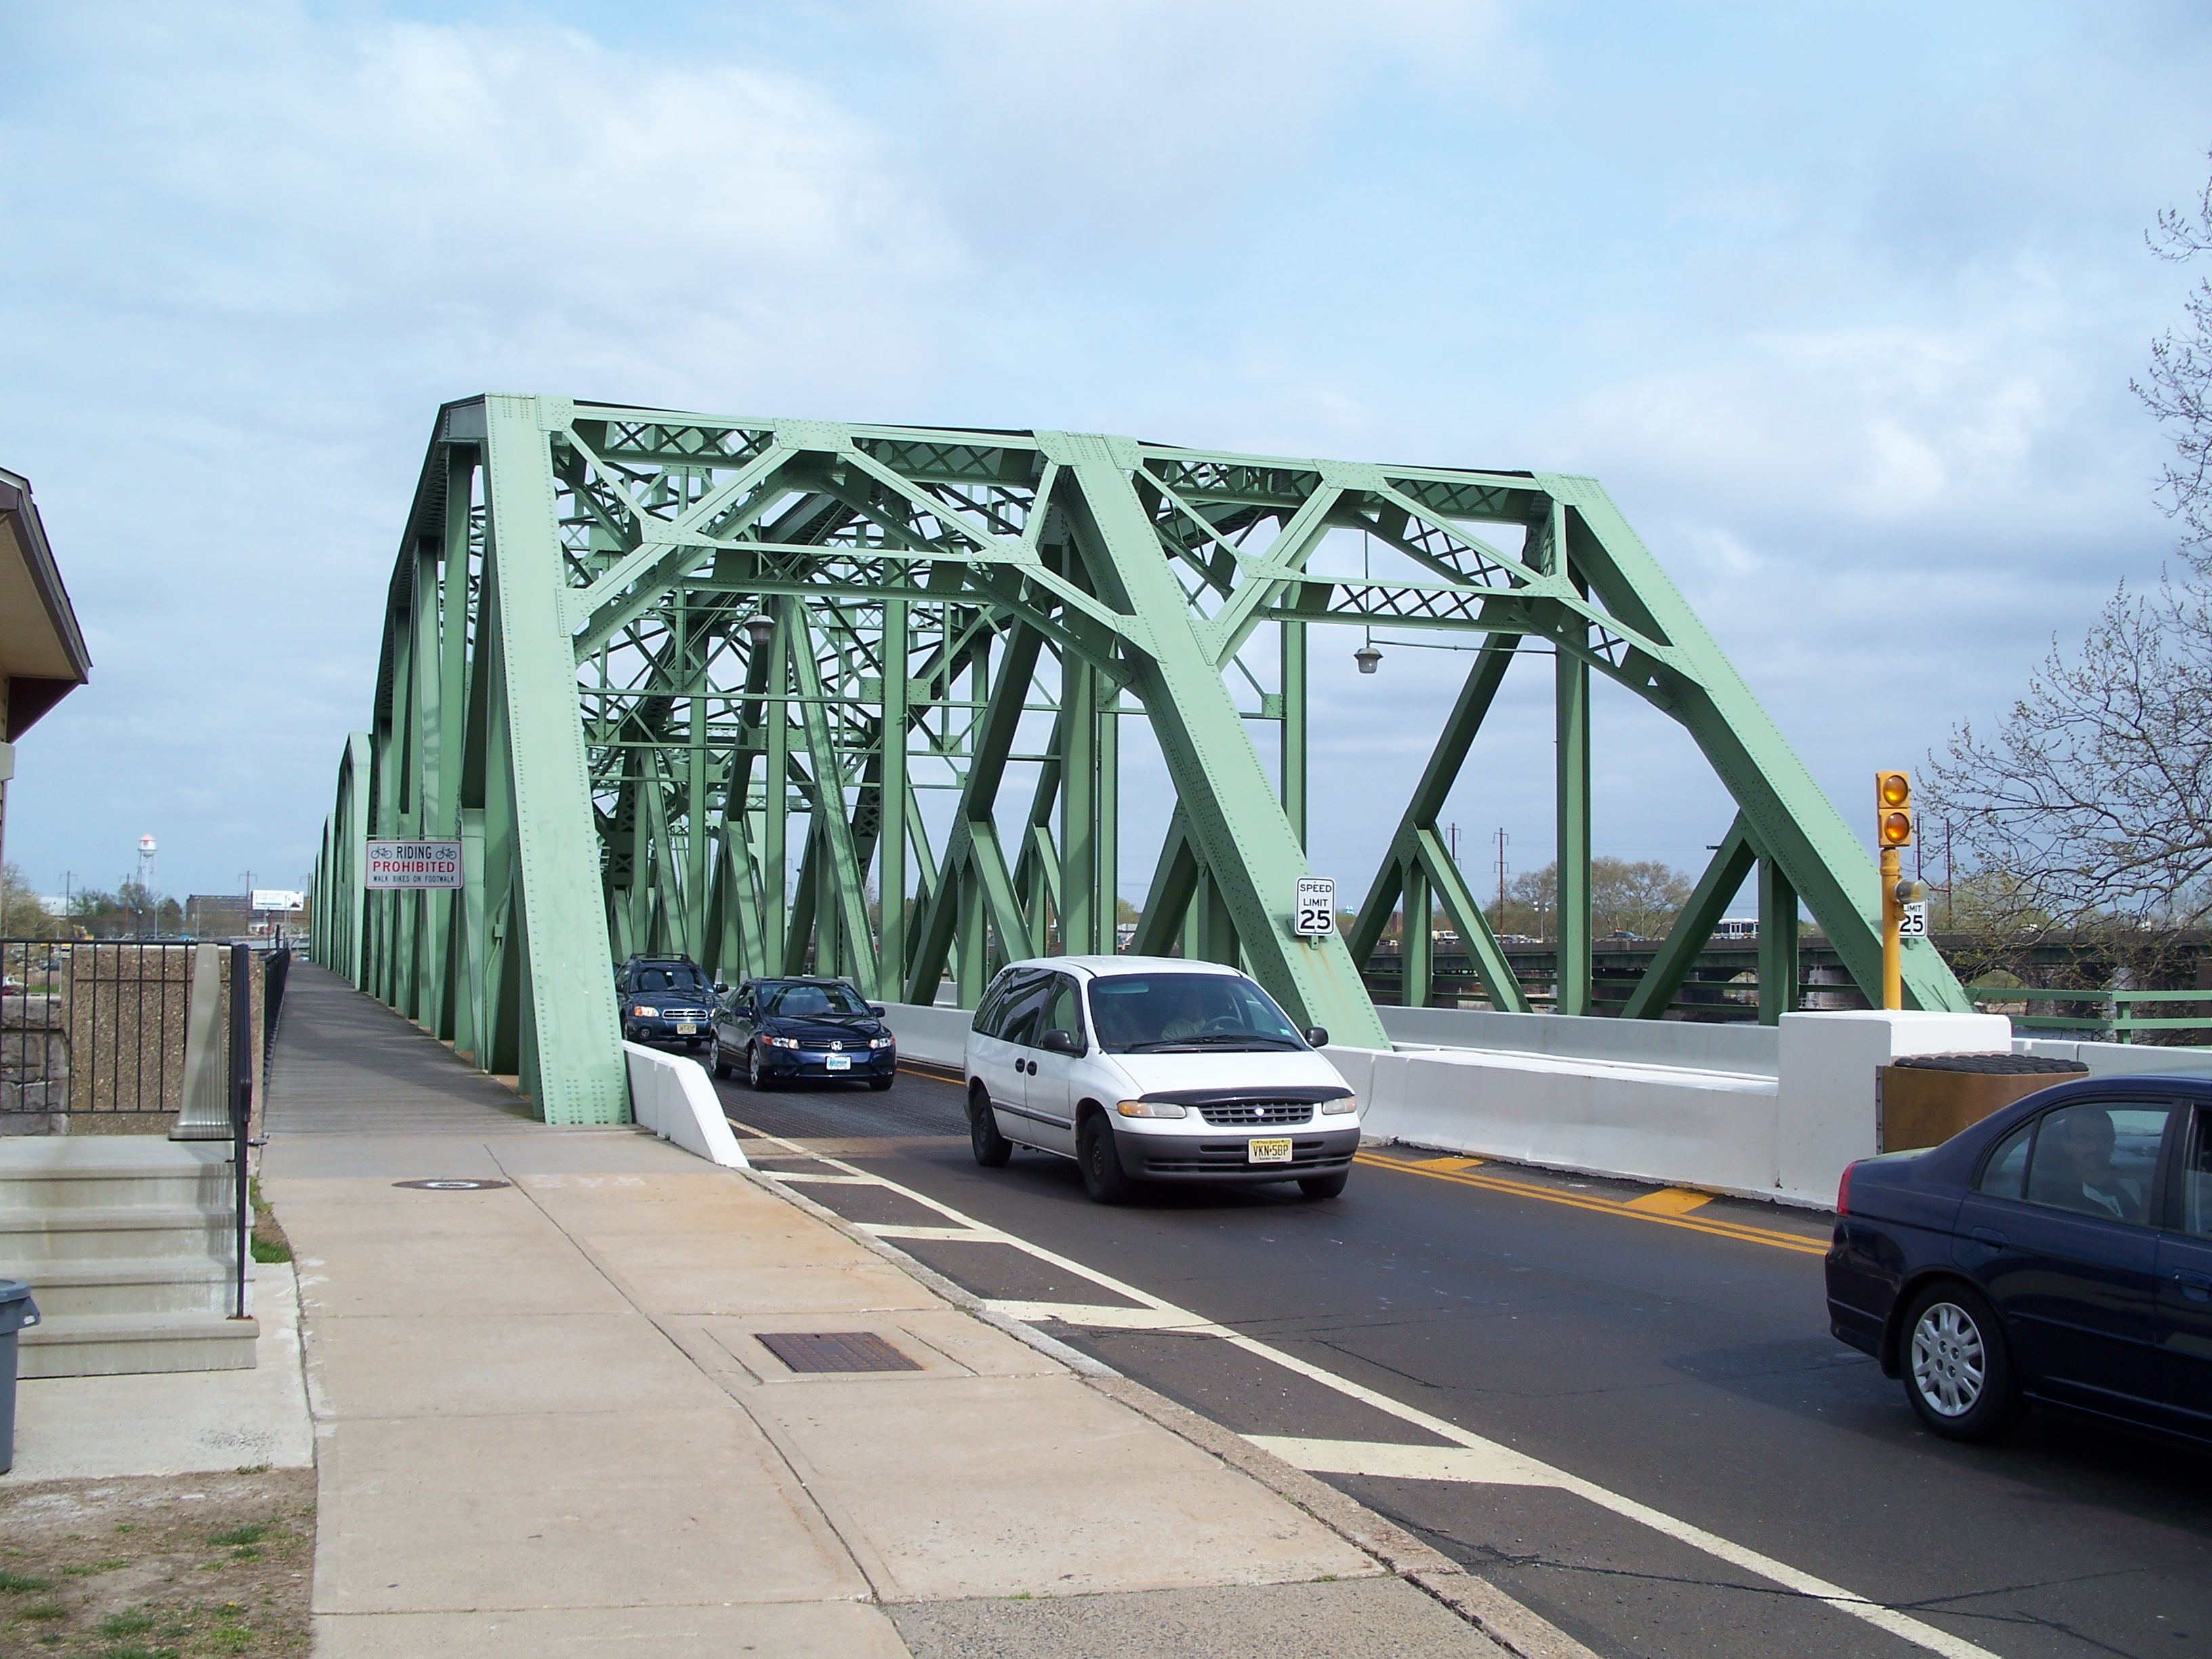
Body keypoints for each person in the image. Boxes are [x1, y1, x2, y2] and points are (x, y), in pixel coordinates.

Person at [2051, 1108, 2144, 1223]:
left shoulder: (2132, 1186)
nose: (2095, 1147)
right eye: (2083, 1139)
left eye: (2103, 1138)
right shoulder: (2057, 1201)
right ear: (2067, 1145)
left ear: (2112, 1142)